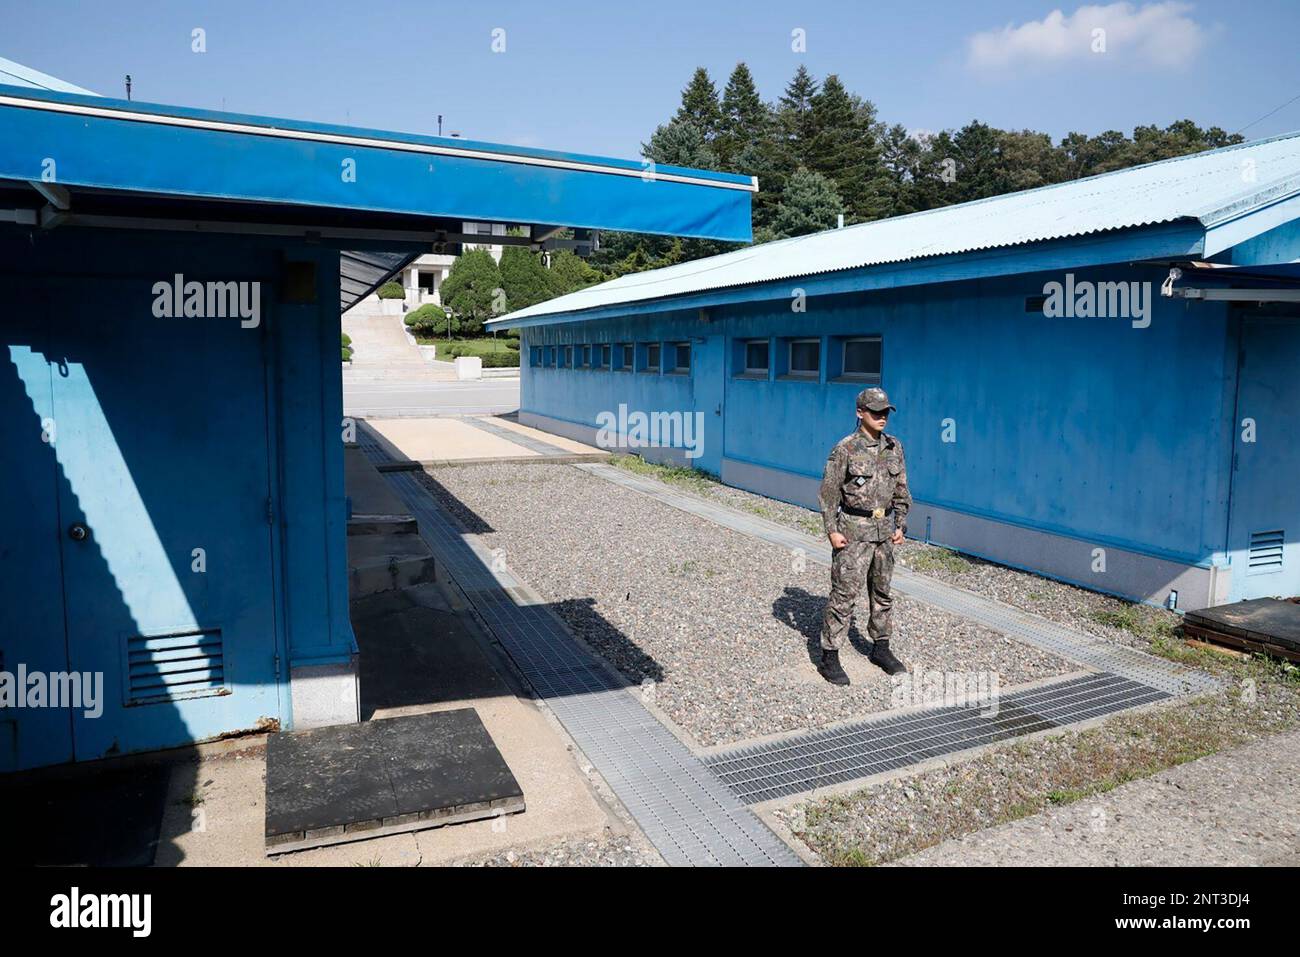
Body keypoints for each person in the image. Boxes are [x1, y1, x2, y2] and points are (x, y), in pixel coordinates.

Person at [816, 387, 911, 686]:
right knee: (844, 595)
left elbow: (901, 489)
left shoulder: (894, 447)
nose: (882, 417)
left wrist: (901, 523)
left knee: (882, 593)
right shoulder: (844, 448)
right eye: (875, 412)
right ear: (860, 413)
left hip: (884, 532)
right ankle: (829, 654)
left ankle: (880, 648)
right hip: (853, 531)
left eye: (885, 412)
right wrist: (832, 530)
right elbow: (828, 494)